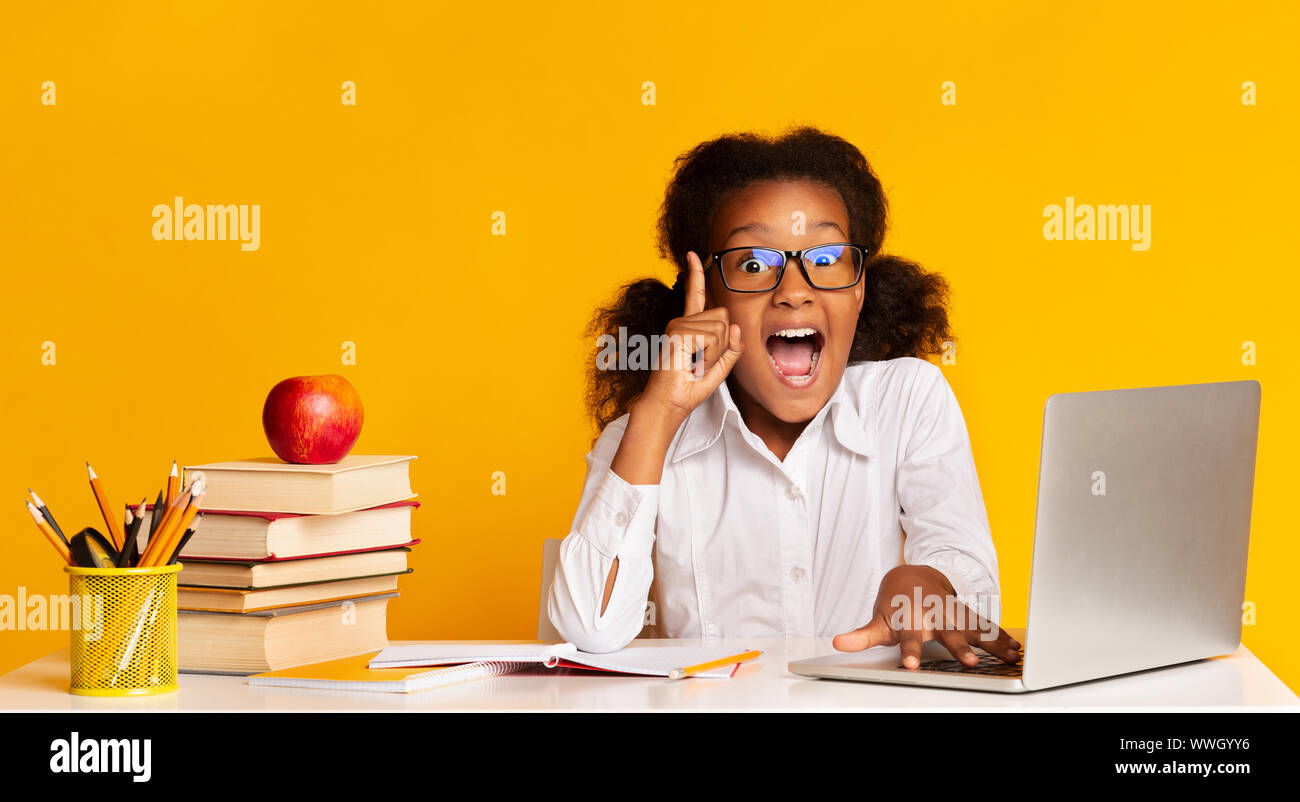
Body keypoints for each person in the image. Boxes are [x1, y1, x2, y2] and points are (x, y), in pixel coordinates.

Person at [547, 126, 1021, 670]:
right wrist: (659, 412)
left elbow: (976, 596)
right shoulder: (642, 440)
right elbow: (591, 631)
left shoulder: (906, 399)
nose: (794, 290)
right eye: (753, 264)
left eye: (825, 258)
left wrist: (927, 583)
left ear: (859, 286)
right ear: (705, 296)